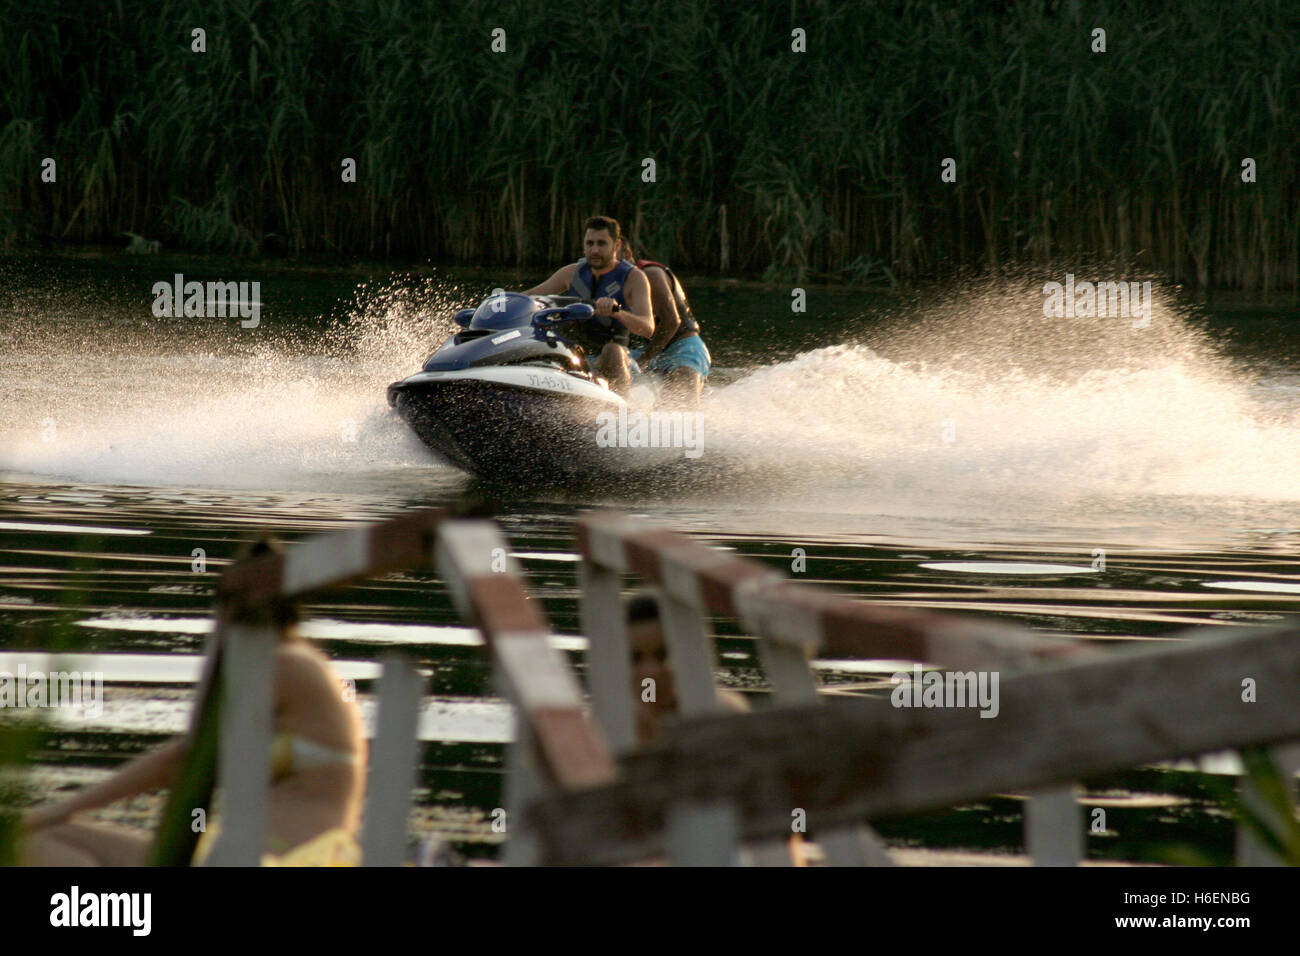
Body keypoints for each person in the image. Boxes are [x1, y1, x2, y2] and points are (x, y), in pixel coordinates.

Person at [18, 537, 367, 866]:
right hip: (258, 854)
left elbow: (181, 760)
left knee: (39, 837)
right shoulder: (305, 664)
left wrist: (60, 809)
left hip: (272, 859)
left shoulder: (283, 664)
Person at [523, 216, 653, 395]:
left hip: (618, 361)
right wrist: (498, 303)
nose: (594, 250)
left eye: (601, 244)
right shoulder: (570, 273)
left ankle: (624, 411)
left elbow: (648, 328)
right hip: (576, 358)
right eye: (589, 243)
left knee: (612, 350)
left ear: (616, 246)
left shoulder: (634, 278)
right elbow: (528, 297)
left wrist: (617, 312)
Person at [622, 245, 711, 406]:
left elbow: (672, 322)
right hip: (644, 353)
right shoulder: (605, 282)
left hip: (682, 348)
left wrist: (644, 360)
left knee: (679, 404)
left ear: (627, 253)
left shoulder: (651, 274)